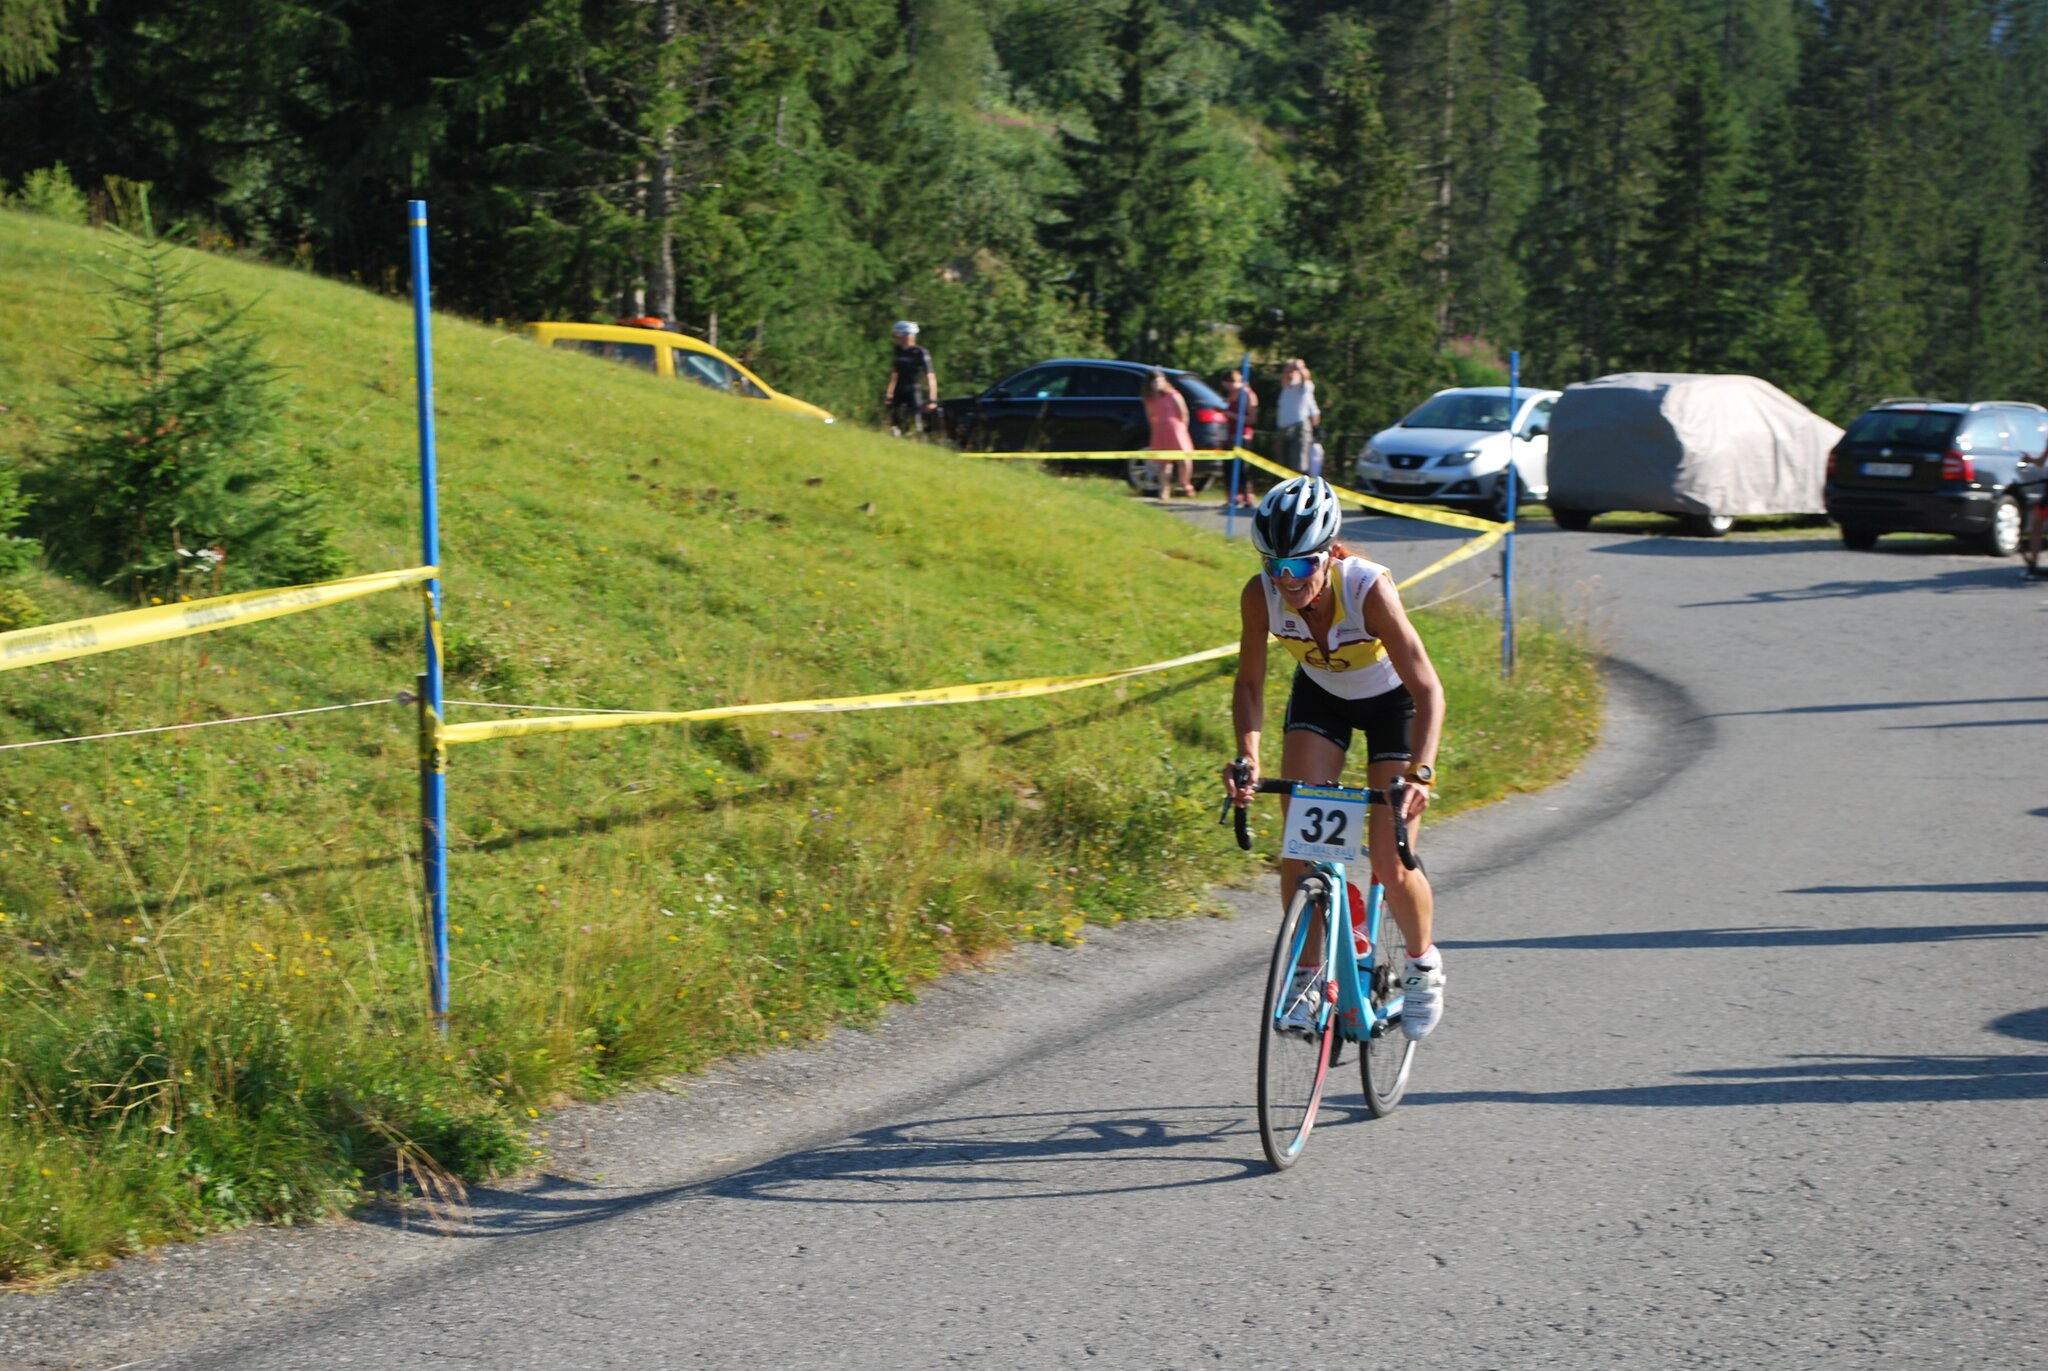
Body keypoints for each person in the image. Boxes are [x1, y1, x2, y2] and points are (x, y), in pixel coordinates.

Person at [1221, 476, 1447, 1040]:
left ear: (1329, 554)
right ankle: (1308, 975)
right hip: (1322, 697)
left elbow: (1429, 691)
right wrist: (1246, 759)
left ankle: (1423, 967)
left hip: (1394, 705)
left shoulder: (1368, 590)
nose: (1285, 580)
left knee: (1391, 858)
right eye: (1274, 565)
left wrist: (1420, 772)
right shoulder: (1261, 593)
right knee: (1300, 846)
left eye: (1298, 567)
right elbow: (1249, 685)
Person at [1145, 370, 1197, 500]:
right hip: (1160, 430)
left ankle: (1185, 483)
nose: (1157, 384)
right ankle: (1164, 490)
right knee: (1163, 463)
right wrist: (1154, 430)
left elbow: (1183, 412)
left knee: (1183, 458)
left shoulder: (1173, 395)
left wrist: (1183, 428)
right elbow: (1150, 416)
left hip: (1175, 429)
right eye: (1154, 382)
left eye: (1160, 381)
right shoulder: (1150, 399)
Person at [883, 321, 939, 437]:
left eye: (897, 335)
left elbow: (930, 377)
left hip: (914, 389)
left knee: (915, 420)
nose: (895, 338)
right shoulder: (898, 351)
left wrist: (932, 399)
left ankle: (917, 438)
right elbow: (894, 373)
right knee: (895, 421)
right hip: (899, 389)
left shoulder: (920, 352)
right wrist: (889, 393)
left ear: (906, 335)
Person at [1218, 369, 1260, 509]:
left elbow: (1251, 419)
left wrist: (1231, 415)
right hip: (1228, 436)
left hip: (1242, 435)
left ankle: (1248, 497)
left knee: (1243, 469)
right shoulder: (1230, 396)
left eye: (1233, 382)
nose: (1230, 386)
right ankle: (1233, 497)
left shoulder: (1247, 395)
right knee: (1228, 468)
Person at [1274, 358, 1321, 473]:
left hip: (1299, 427)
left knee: (1299, 465)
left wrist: (1298, 366)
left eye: (1292, 371)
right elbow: (1283, 379)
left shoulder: (1304, 387)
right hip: (1283, 428)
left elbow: (1306, 376)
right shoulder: (1285, 389)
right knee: (1283, 466)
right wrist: (1287, 369)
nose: (1289, 374)